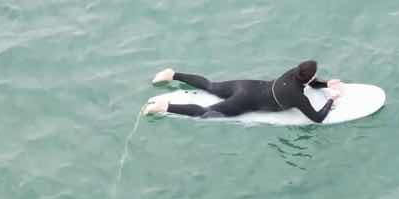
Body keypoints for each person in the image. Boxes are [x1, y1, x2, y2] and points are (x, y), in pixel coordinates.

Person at [143, 60, 342, 123]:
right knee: (206, 112)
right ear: (306, 77)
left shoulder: (294, 73)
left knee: (211, 86)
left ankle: (173, 74)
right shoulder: (297, 97)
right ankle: (164, 106)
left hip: (247, 85)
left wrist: (325, 84)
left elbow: (310, 81)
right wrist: (331, 100)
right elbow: (317, 118)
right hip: (246, 101)